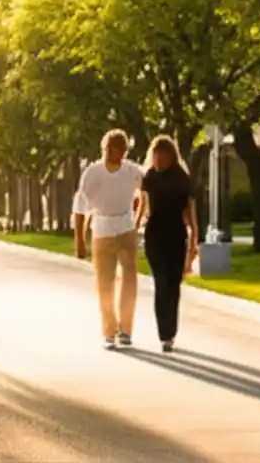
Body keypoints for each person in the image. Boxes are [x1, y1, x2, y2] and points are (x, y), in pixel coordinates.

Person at [73, 129, 144, 350]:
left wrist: (140, 217)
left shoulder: (132, 171)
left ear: (124, 151)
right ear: (104, 149)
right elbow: (80, 206)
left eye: (119, 151)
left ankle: (126, 329)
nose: (114, 154)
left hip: (125, 227)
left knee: (129, 280)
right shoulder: (93, 173)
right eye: (110, 150)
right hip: (102, 230)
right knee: (105, 283)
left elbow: (147, 191)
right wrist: (80, 240)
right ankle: (109, 330)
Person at [135, 135, 198, 353]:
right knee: (161, 283)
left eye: (163, 155)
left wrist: (194, 239)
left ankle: (171, 332)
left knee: (173, 285)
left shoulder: (181, 178)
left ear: (172, 156)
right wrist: (134, 228)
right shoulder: (149, 177)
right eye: (156, 155)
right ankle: (164, 334)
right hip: (154, 235)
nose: (159, 160)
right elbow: (142, 206)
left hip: (176, 234)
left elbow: (189, 210)